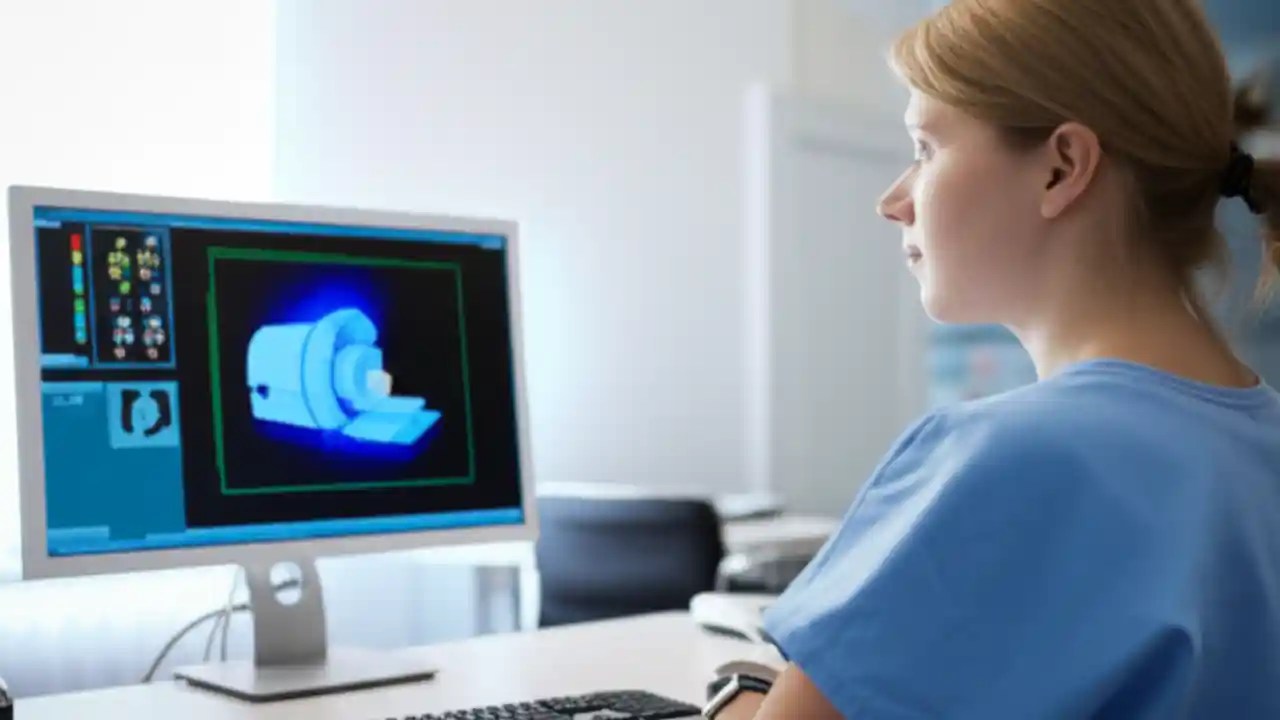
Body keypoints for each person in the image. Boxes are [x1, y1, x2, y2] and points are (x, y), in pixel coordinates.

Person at [699, 1, 1280, 718]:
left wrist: (742, 687)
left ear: (1061, 168)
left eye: (925, 149)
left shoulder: (1009, 459)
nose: (894, 201)